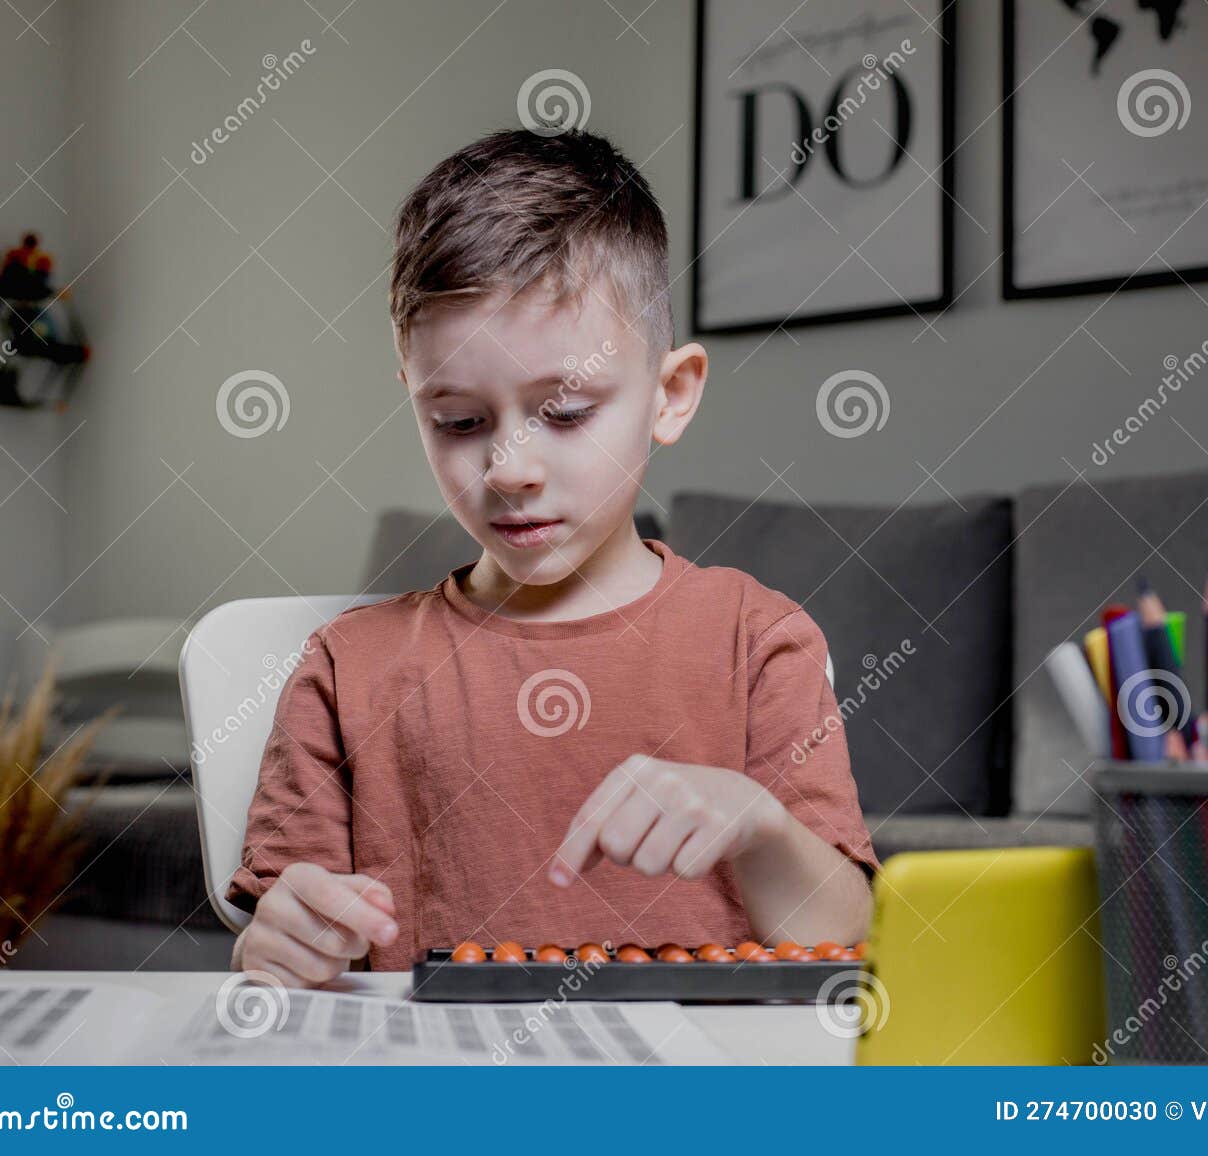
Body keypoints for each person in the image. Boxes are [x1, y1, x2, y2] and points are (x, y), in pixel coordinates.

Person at [227, 127, 877, 986]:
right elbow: (283, 939)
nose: (511, 469)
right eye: (459, 422)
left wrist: (760, 825)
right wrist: (276, 941)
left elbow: (844, 941)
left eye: (566, 412)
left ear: (670, 395)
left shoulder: (759, 641)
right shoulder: (348, 670)